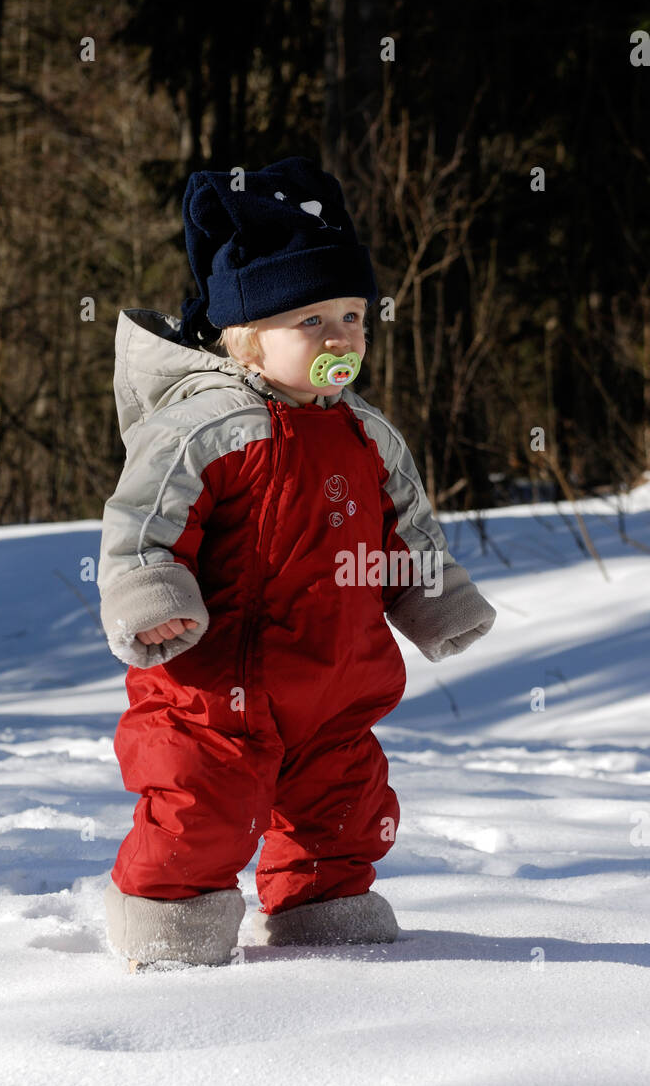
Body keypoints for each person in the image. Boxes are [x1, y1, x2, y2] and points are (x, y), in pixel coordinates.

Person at [97, 155, 496, 969]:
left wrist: (436, 603)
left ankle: (326, 905)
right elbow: (142, 521)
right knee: (201, 811)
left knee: (344, 808)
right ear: (247, 337)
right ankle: (169, 922)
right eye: (312, 321)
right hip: (214, 687)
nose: (340, 337)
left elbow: (407, 534)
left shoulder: (366, 434)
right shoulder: (205, 428)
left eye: (353, 317)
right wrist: (151, 594)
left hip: (337, 684)